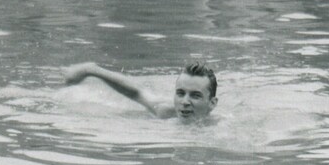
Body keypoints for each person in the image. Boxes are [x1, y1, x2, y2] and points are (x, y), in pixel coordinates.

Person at [63, 58, 218, 121]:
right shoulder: (166, 111)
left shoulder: (221, 127)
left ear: (212, 103)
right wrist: (89, 71)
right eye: (180, 93)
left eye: (195, 96)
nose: (185, 102)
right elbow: (136, 92)